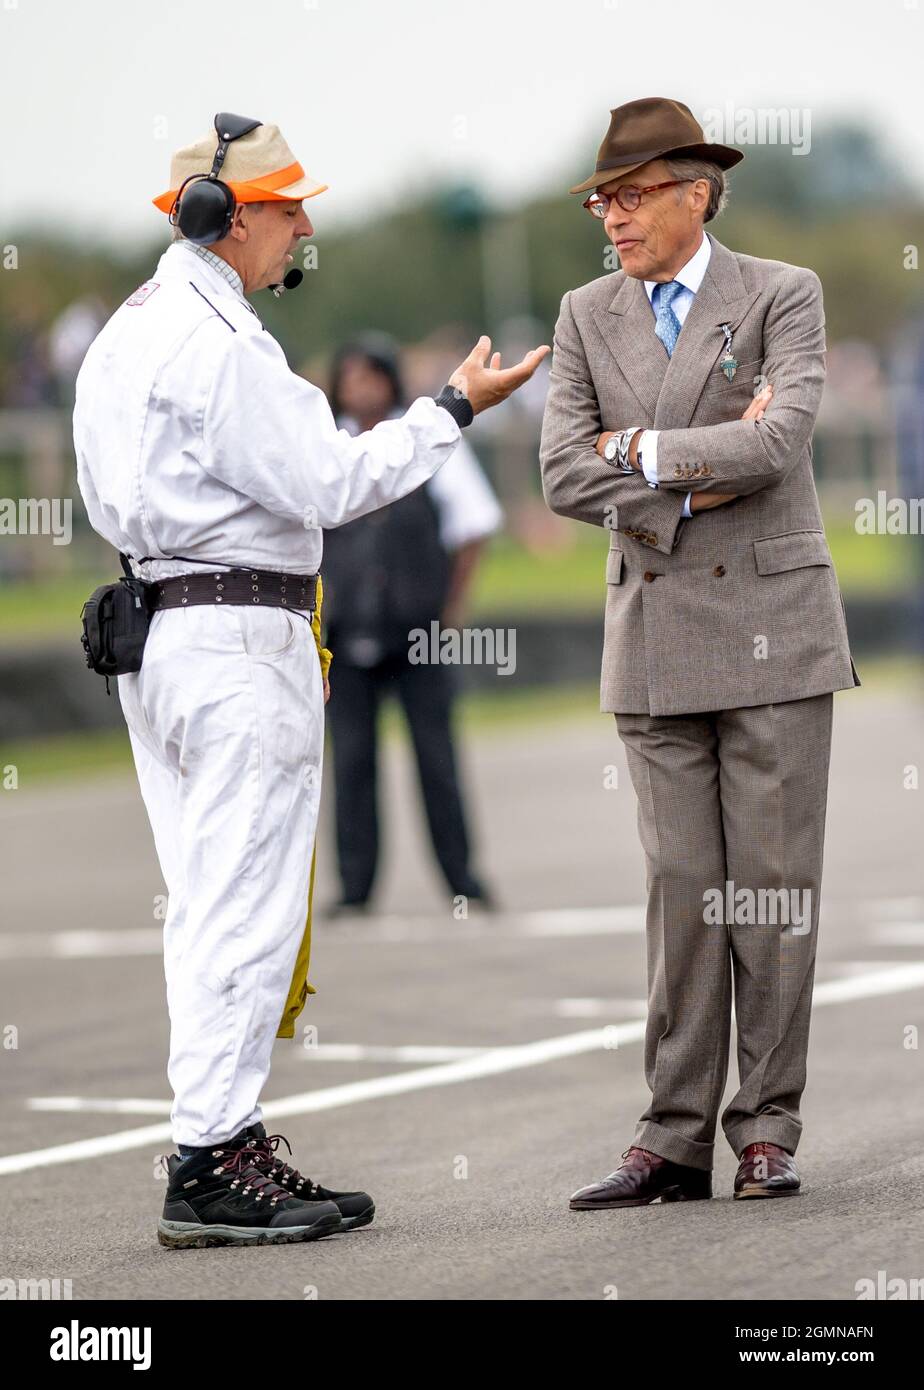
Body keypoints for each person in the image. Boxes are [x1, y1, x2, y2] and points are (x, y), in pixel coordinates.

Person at [73, 111, 548, 1248]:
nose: (303, 224)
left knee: (207, 901)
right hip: (237, 638)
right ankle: (212, 1154)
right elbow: (332, 480)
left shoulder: (126, 334)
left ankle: (217, 1143)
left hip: (166, 632)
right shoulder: (222, 344)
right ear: (223, 217)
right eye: (287, 206)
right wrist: (450, 411)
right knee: (244, 903)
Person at [539, 97, 860, 1210]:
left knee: (770, 892)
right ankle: (671, 1139)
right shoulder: (585, 313)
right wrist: (685, 489)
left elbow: (778, 443)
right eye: (601, 200)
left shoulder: (781, 293)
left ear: (696, 192)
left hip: (776, 636)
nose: (611, 218)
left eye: (630, 196)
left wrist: (640, 447)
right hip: (657, 638)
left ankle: (766, 1128)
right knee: (683, 895)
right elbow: (559, 474)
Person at [322, 332, 503, 915]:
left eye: (371, 376)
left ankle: (462, 881)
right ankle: (354, 890)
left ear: (390, 379)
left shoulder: (423, 435)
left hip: (417, 630)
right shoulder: (324, 442)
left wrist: (450, 608)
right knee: (350, 762)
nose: (361, 388)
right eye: (350, 378)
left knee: (436, 759)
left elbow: (473, 525)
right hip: (346, 633)